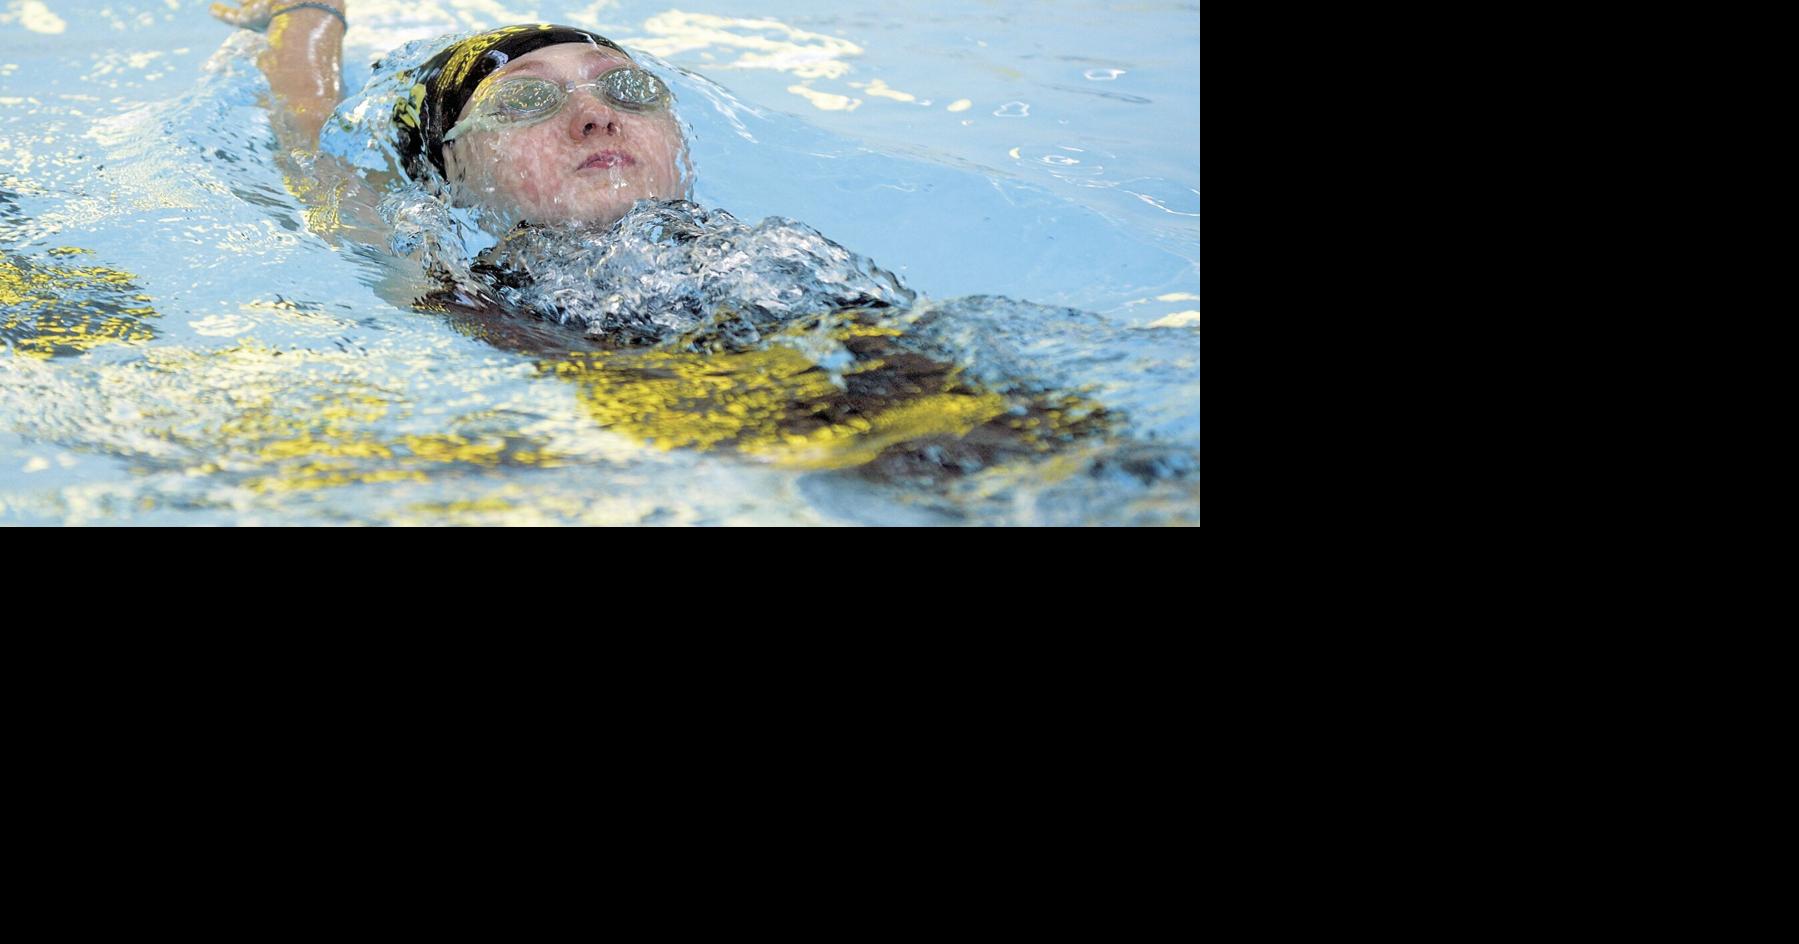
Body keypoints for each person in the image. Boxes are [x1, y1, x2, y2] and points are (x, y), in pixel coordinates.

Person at [209, 1, 689, 234]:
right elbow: (308, 137)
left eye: (627, 88)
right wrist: (309, 12)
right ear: (453, 169)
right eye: (524, 98)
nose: (597, 115)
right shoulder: (436, 269)